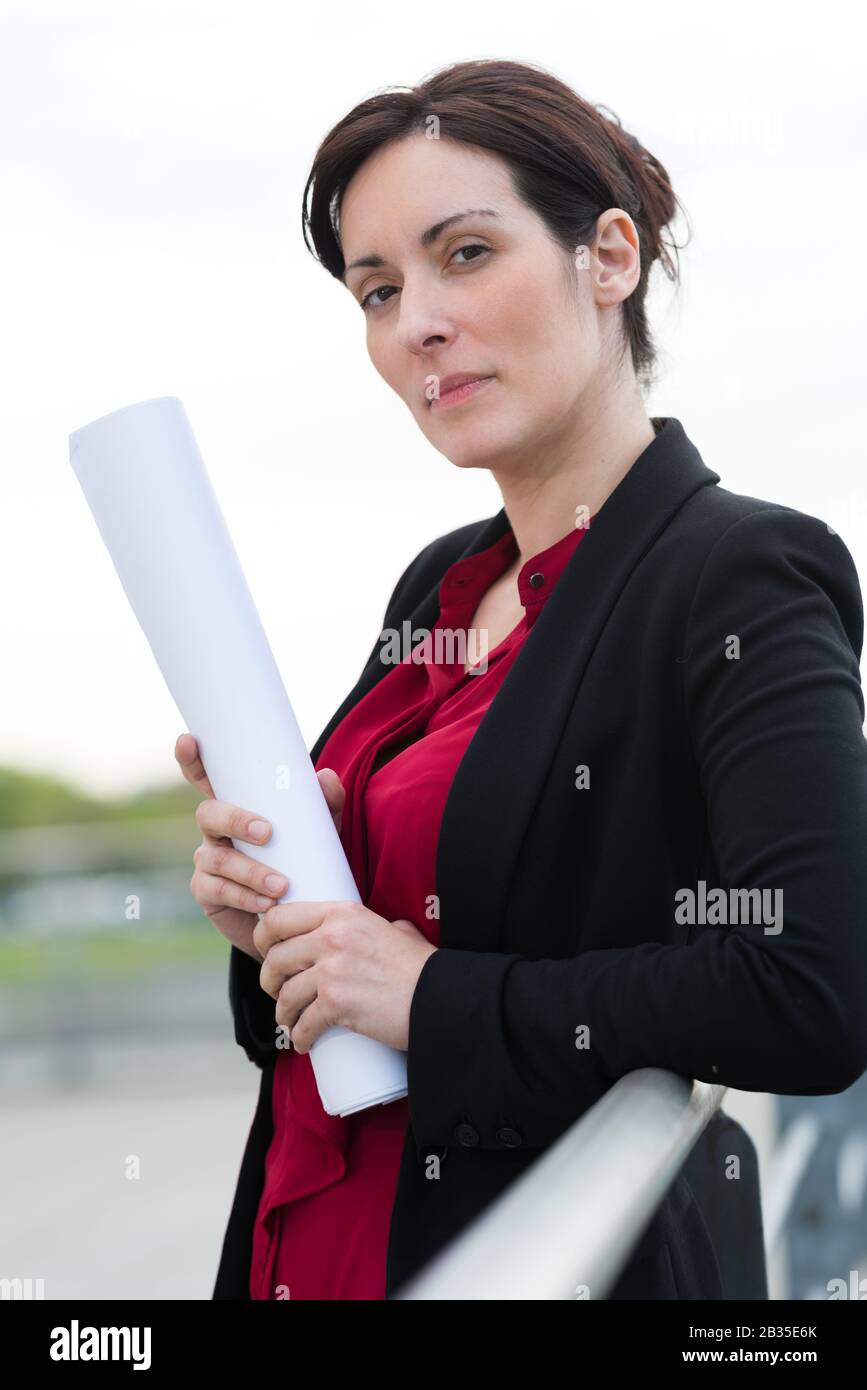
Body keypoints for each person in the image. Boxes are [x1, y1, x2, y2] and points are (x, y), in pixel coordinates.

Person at [175, 58, 867, 1300]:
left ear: (609, 256)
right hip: (306, 1244)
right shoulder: (435, 588)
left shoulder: (738, 573)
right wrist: (278, 910)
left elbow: (815, 986)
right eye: (377, 289)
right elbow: (347, 986)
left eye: (467, 254)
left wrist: (438, 996)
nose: (415, 325)